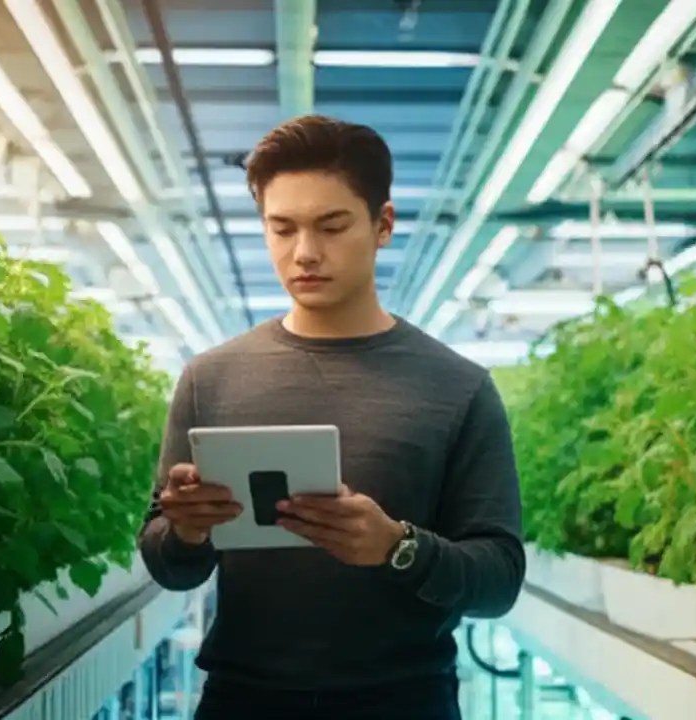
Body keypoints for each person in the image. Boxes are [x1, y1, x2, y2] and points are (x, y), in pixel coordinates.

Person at [138, 114, 526, 720]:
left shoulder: (459, 387)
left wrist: (398, 547)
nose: (305, 253)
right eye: (282, 228)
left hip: (406, 704)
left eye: (332, 225)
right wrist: (187, 530)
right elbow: (168, 565)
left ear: (384, 224)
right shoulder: (210, 379)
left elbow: (500, 578)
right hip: (243, 702)